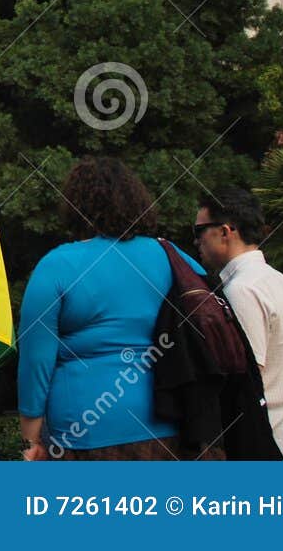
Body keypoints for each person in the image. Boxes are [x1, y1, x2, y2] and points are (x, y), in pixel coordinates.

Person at [18, 156, 209, 460]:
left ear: (75, 206)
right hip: (169, 421)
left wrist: (30, 438)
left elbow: (36, 359)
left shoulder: (56, 265)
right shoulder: (174, 258)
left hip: (81, 430)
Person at [194, 187, 283, 460]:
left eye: (199, 231)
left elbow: (243, 381)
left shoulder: (241, 291)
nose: (196, 241)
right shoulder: (282, 283)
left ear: (225, 231)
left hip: (275, 446)